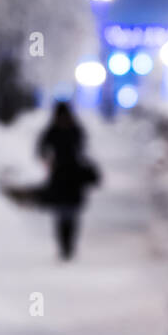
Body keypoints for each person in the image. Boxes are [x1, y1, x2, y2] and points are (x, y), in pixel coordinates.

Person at [36, 100, 99, 260]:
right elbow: (41, 150)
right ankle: (65, 246)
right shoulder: (65, 130)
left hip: (69, 177)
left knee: (69, 214)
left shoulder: (63, 130)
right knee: (64, 214)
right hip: (65, 177)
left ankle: (67, 246)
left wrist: (48, 160)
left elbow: (41, 149)